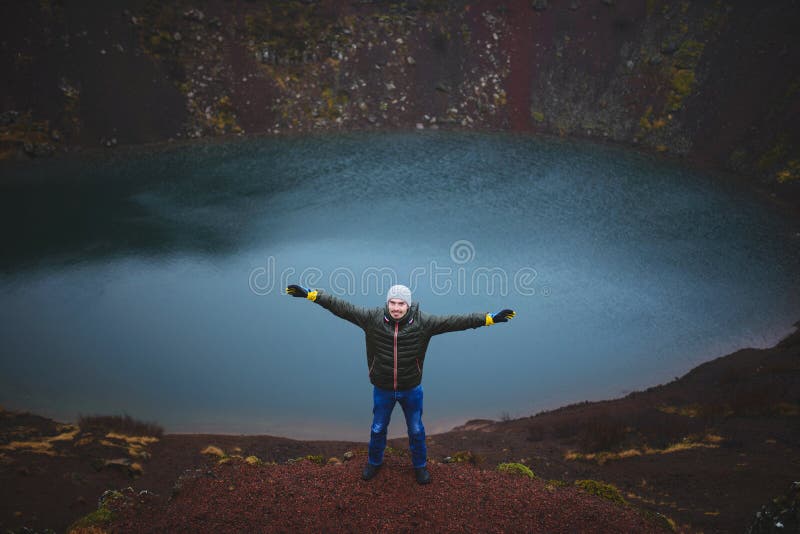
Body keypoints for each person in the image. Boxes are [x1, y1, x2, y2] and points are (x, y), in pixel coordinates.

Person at [286, 283, 515, 485]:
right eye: (392, 303)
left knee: (416, 430)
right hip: (383, 388)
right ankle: (374, 463)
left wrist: (488, 318)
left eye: (401, 304)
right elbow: (341, 307)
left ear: (408, 305)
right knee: (377, 429)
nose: (396, 308)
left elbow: (457, 321)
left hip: (411, 388)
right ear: (387, 303)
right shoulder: (371, 319)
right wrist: (312, 295)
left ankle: (420, 467)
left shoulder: (424, 323)